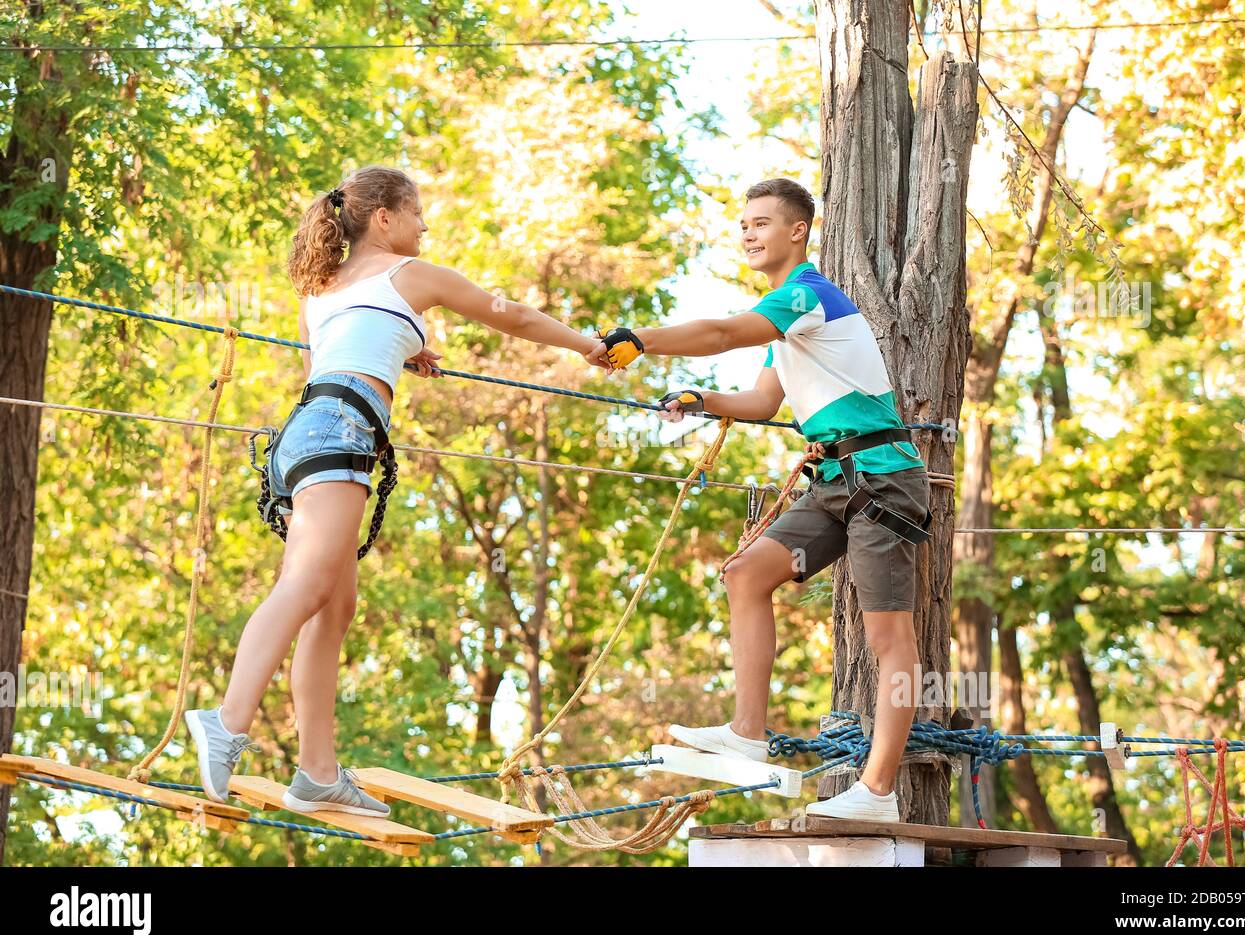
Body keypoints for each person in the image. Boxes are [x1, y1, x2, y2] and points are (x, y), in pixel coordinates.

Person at [186, 165, 608, 815]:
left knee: (332, 604)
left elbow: (333, 358)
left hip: (307, 432)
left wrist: (409, 347)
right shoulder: (412, 275)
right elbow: (512, 316)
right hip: (342, 431)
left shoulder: (324, 288)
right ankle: (228, 720)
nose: (425, 225)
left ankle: (318, 773)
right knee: (302, 588)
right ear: (383, 217)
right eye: (416, 213)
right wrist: (586, 345)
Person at [592, 178, 931, 822]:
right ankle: (747, 734)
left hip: (883, 477)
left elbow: (722, 332)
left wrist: (641, 338)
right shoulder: (785, 320)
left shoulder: (807, 294)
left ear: (797, 232)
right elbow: (761, 402)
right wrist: (702, 400)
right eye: (744, 224)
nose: (748, 234)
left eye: (762, 223)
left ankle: (878, 793)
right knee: (746, 573)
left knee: (889, 634)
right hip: (835, 479)